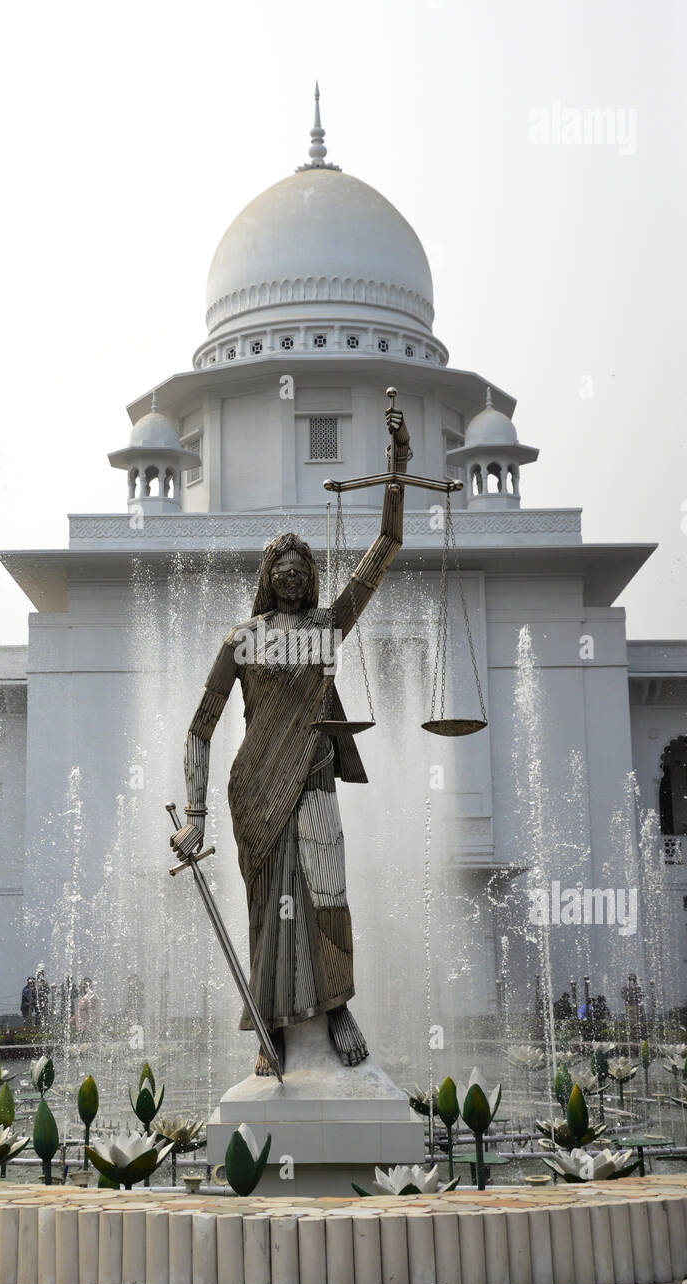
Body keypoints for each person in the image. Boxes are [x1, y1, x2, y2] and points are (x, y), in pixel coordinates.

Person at [171, 403, 410, 1073]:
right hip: (257, 792)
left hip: (314, 782)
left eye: (303, 565)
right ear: (265, 578)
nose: (294, 572)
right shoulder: (241, 641)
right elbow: (201, 727)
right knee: (270, 911)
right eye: (282, 564)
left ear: (313, 581)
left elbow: (385, 550)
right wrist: (194, 815)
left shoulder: (329, 629)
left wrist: (398, 469)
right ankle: (268, 1028)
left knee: (327, 896)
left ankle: (336, 1007)